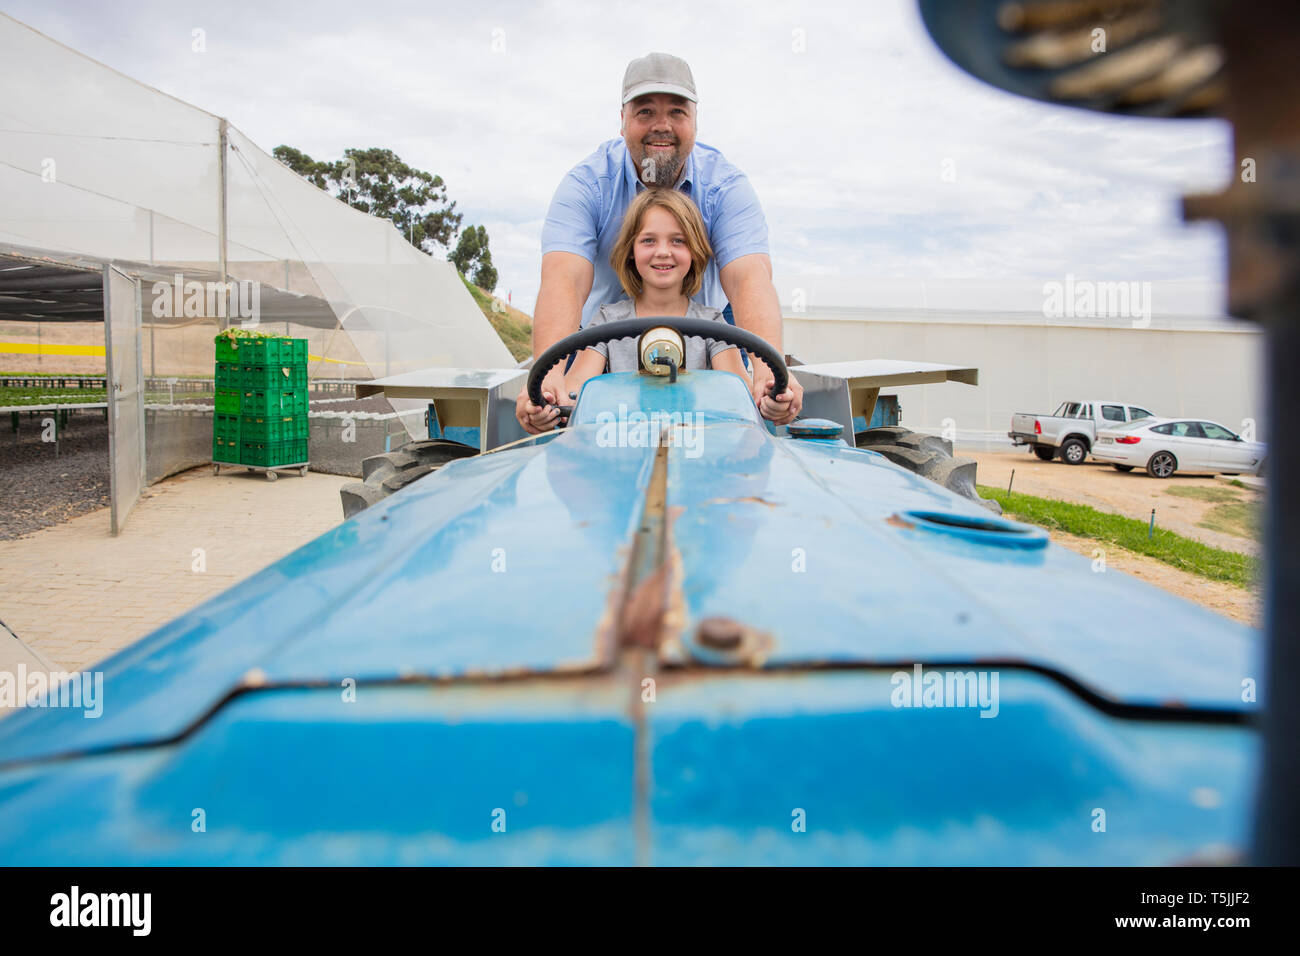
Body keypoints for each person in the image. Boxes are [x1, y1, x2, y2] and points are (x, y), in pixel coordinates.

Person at [516, 51, 803, 433]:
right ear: (622, 121)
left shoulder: (726, 187)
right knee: (556, 406)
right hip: (597, 339)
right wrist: (548, 379)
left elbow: (749, 278)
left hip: (711, 337)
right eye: (645, 111)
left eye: (677, 112)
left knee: (759, 399)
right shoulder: (586, 185)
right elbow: (563, 280)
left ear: (696, 122)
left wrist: (769, 374)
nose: (661, 126)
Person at [559, 188, 748, 403]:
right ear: (631, 250)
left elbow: (738, 390)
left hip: (697, 433)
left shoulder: (713, 323)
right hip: (623, 434)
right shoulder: (607, 321)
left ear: (694, 251)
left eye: (678, 241)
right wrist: (561, 399)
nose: (663, 252)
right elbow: (575, 386)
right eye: (649, 240)